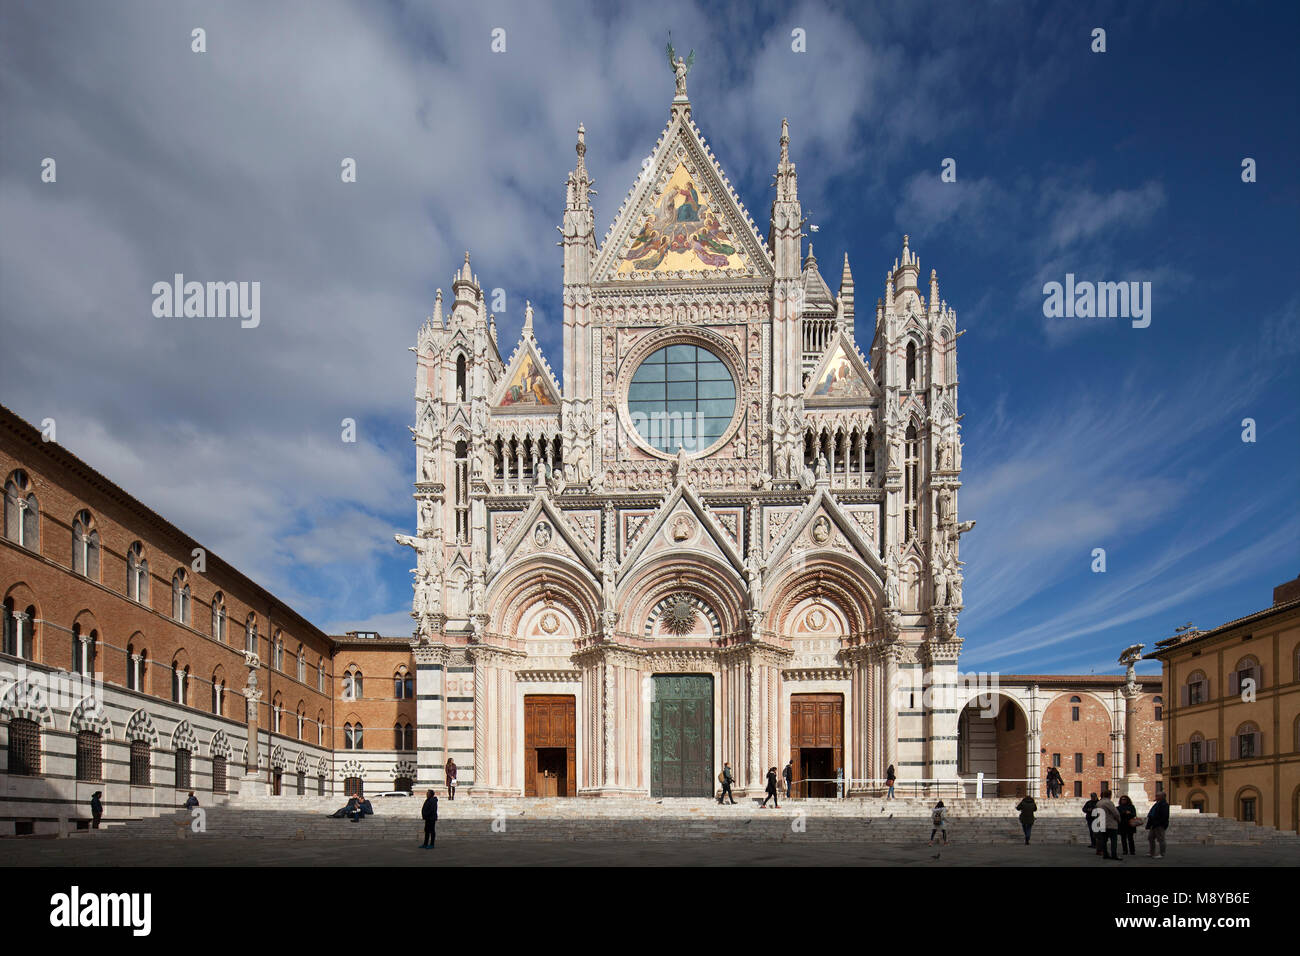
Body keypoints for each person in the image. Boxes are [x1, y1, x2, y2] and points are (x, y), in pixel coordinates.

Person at [1096, 790, 1121, 860]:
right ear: (1110, 795)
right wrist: (1119, 820)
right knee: (1113, 840)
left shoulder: (1099, 803)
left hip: (1102, 823)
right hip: (1110, 824)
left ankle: (1105, 854)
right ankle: (1114, 855)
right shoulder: (1108, 802)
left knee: (1104, 840)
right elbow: (1115, 813)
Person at [1145, 790, 1170, 859]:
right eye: (1156, 795)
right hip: (1153, 824)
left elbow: (1164, 815)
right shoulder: (1157, 804)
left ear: (1163, 797)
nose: (1156, 796)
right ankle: (1152, 852)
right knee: (1150, 838)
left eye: (1158, 796)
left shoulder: (1164, 805)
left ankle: (1162, 853)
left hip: (1159, 824)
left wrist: (1159, 823)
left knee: (1161, 839)